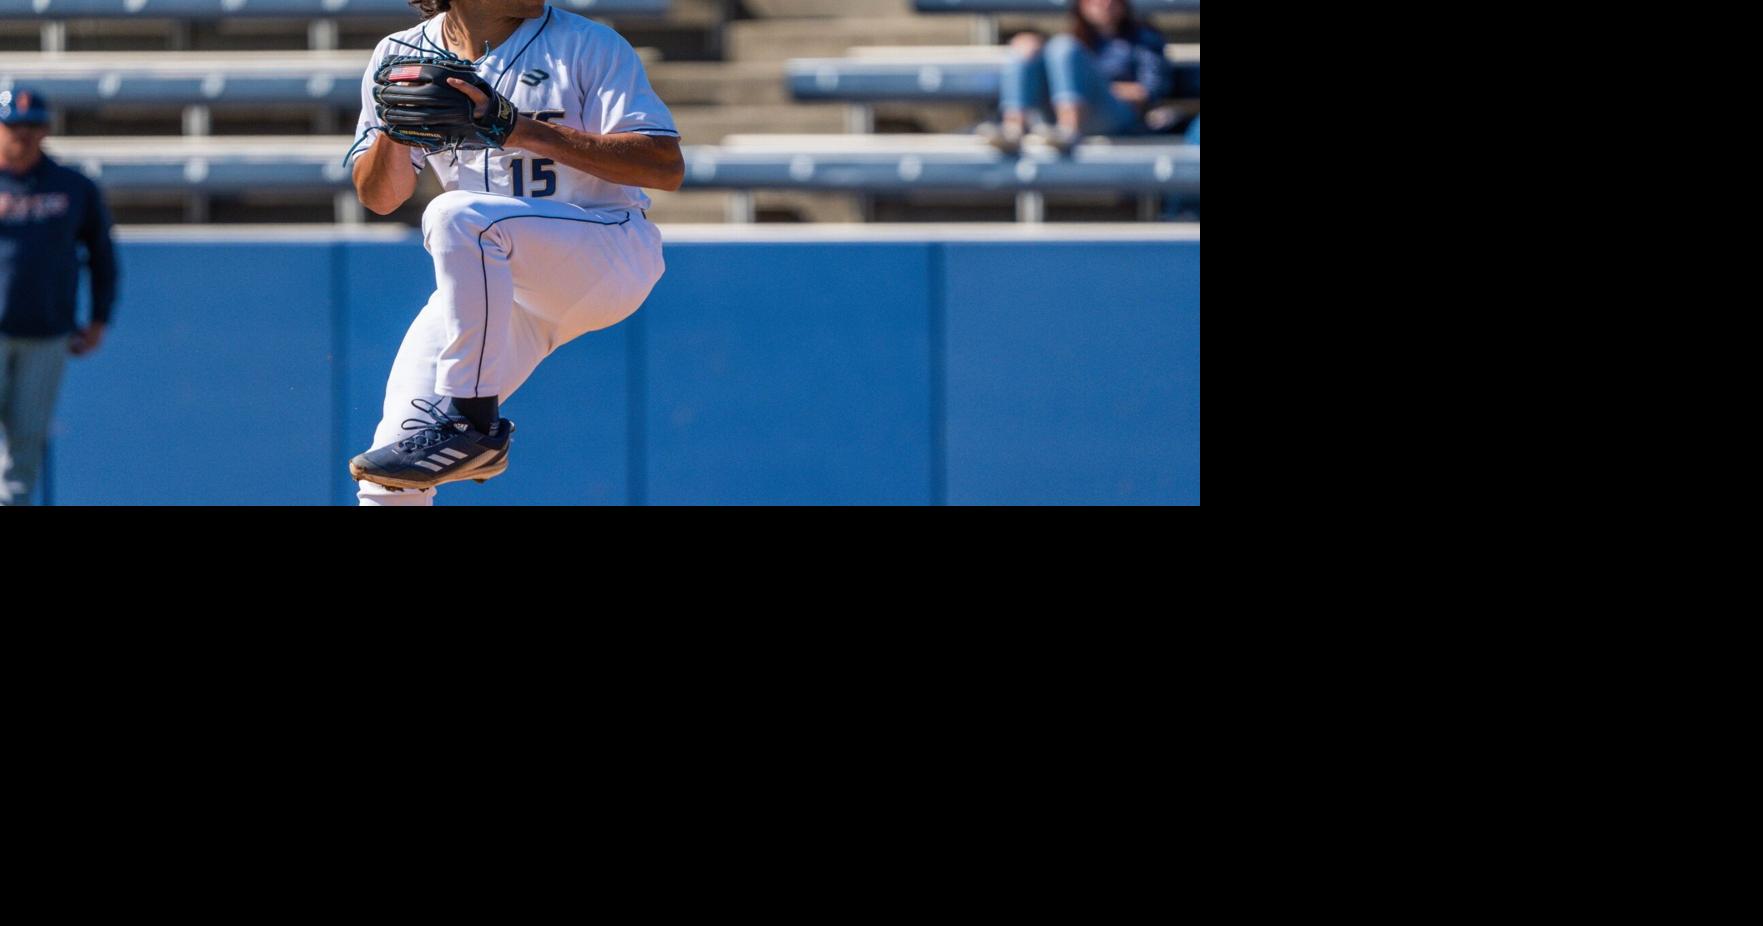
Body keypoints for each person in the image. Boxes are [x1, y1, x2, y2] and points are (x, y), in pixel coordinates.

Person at [345, 0, 682, 506]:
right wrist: (396, 130)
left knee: (454, 215)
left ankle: (474, 424)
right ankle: (464, 423)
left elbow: (664, 166)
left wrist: (518, 127)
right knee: (390, 474)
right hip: (493, 291)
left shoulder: (587, 44)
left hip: (605, 252)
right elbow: (379, 196)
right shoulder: (399, 55)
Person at [0, 88, 117, 506]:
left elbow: (102, 254)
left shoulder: (71, 186)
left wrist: (99, 318)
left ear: (46, 130)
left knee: (25, 446)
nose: (23, 135)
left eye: (32, 126)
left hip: (45, 333)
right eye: (14, 125)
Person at [980, 0, 1174, 155]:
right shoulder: (1074, 38)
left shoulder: (1143, 38)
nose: (1104, 3)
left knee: (1063, 46)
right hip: (1058, 113)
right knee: (1024, 48)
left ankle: (1069, 130)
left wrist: (1095, 87)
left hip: (1115, 114)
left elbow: (1150, 90)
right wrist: (1033, 46)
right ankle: (1013, 130)